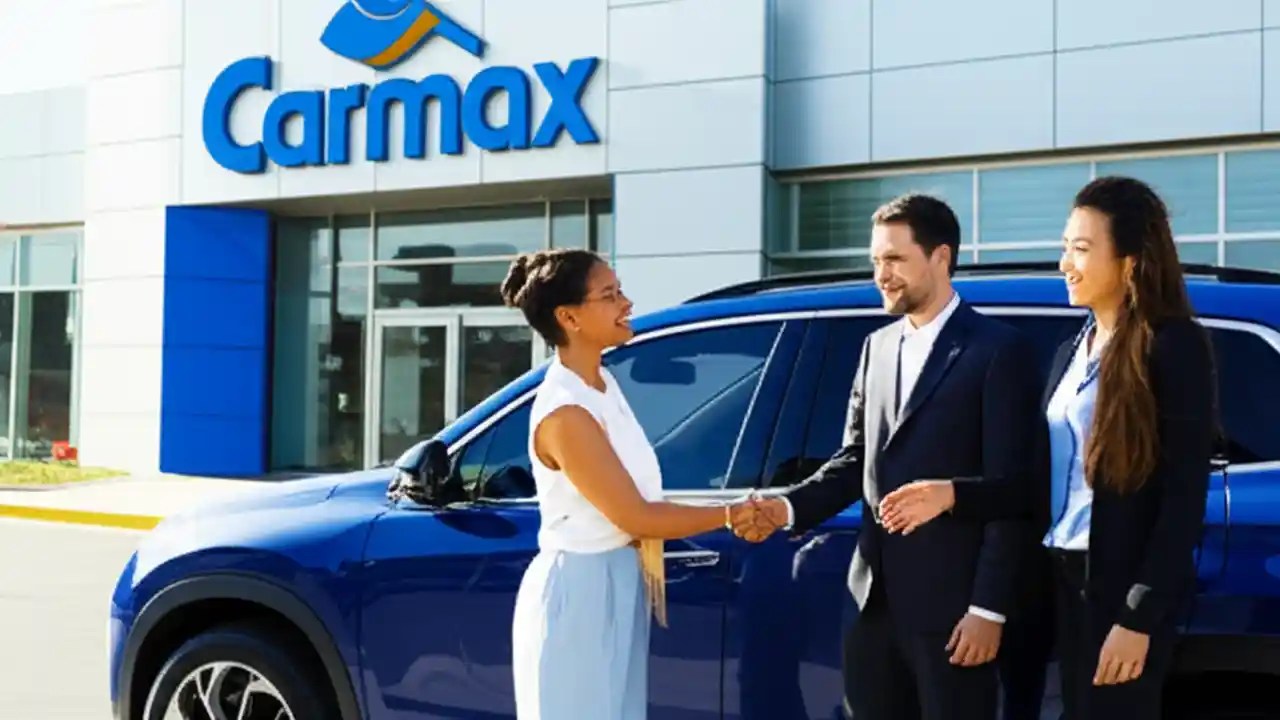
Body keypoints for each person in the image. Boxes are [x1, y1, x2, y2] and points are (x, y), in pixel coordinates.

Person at [879, 176, 1218, 720]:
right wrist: (953, 495)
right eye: (1065, 248)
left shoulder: (1172, 346)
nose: (1065, 264)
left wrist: (1137, 618)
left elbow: (1182, 501)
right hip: (1045, 585)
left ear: (1130, 260)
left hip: (1112, 592)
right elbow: (1036, 483)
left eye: (1080, 249)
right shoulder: (1070, 351)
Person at [733, 193, 1042, 720]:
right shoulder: (875, 347)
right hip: (872, 607)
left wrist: (987, 609)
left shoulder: (998, 350)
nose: (882, 274)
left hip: (956, 614)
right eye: (877, 260)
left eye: (895, 259)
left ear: (940, 257)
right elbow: (857, 460)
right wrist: (786, 507)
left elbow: (1015, 489)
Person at [501, 248, 753, 720]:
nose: (627, 303)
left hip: (617, 580)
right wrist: (730, 514)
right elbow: (636, 515)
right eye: (610, 295)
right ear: (569, 317)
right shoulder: (566, 412)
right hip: (579, 593)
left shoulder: (601, 385)